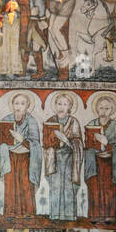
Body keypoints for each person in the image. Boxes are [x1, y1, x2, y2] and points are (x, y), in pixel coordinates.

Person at [0, 92, 41, 217]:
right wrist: (4, 142)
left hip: (26, 158)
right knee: (11, 185)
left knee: (25, 185)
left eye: (23, 103)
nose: (19, 106)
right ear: (12, 105)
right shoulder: (6, 120)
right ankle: (10, 212)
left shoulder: (31, 121)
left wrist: (22, 139)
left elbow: (36, 144)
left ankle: (28, 213)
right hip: (9, 156)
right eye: (16, 103)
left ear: (27, 106)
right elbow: (0, 141)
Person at [83, 95, 116, 219]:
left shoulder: (115, 127)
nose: (104, 111)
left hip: (109, 164)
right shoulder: (92, 124)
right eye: (101, 108)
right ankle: (94, 216)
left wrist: (107, 143)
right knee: (95, 189)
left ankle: (109, 217)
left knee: (108, 190)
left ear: (111, 110)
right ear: (97, 109)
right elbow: (87, 145)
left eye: (107, 108)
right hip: (94, 163)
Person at [44, 92, 83, 221]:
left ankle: (69, 215)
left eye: (65, 104)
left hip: (69, 160)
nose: (61, 107)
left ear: (69, 107)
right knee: (55, 186)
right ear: (55, 105)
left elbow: (78, 143)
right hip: (54, 159)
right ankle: (55, 214)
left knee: (68, 187)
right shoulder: (50, 121)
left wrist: (66, 140)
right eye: (59, 104)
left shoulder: (73, 122)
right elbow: (45, 141)